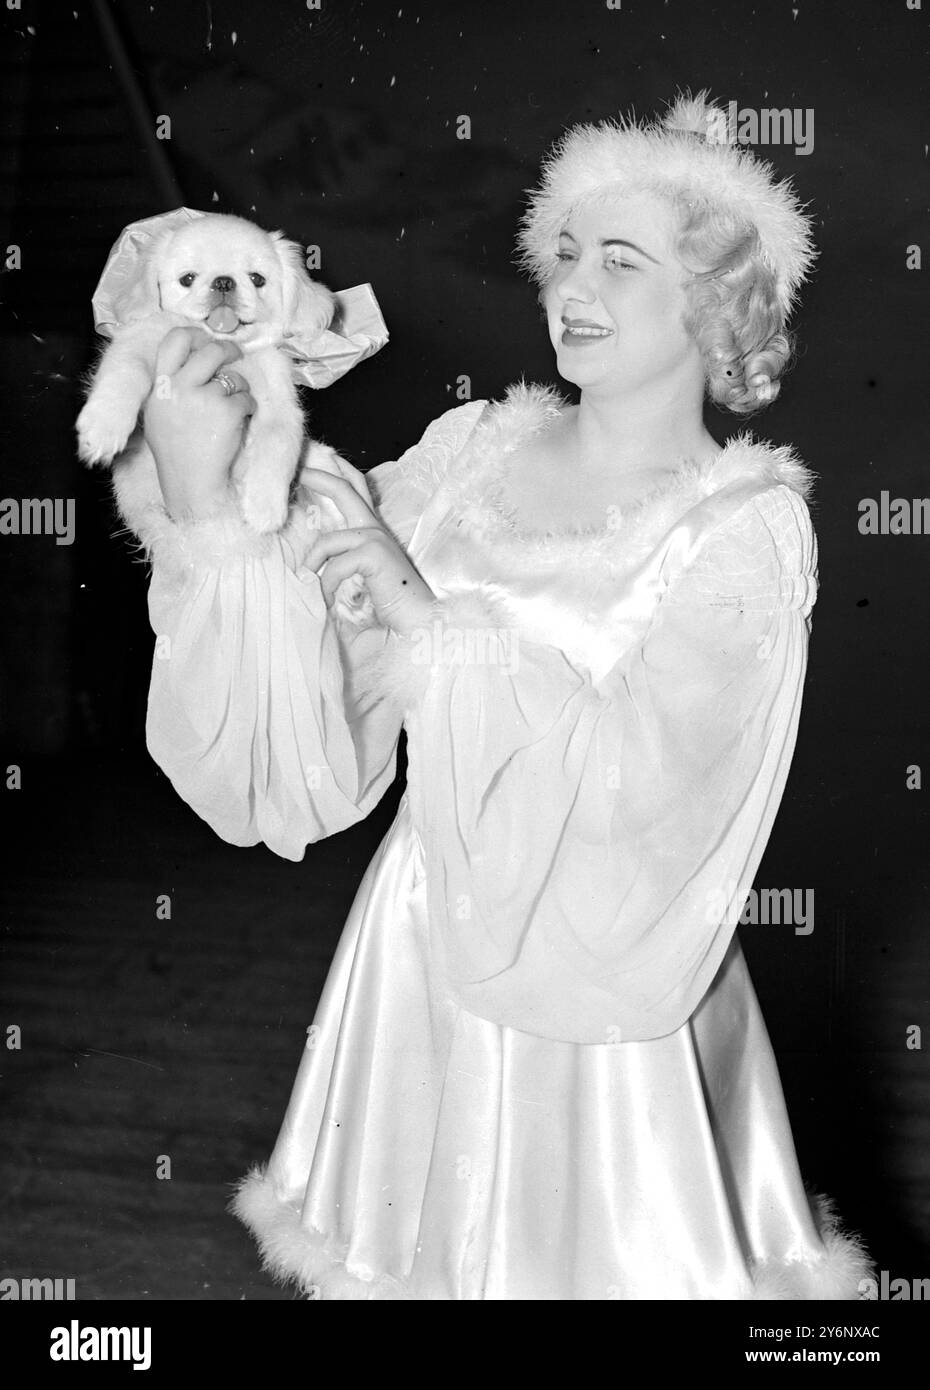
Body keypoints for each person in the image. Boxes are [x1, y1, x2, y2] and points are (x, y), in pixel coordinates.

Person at [127, 91, 873, 1299]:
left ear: (713, 299)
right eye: (564, 251)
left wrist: (437, 630)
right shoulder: (470, 449)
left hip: (604, 987)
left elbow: (664, 787)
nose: (573, 284)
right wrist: (216, 493)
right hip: (419, 944)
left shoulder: (745, 526)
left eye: (620, 261)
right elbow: (323, 663)